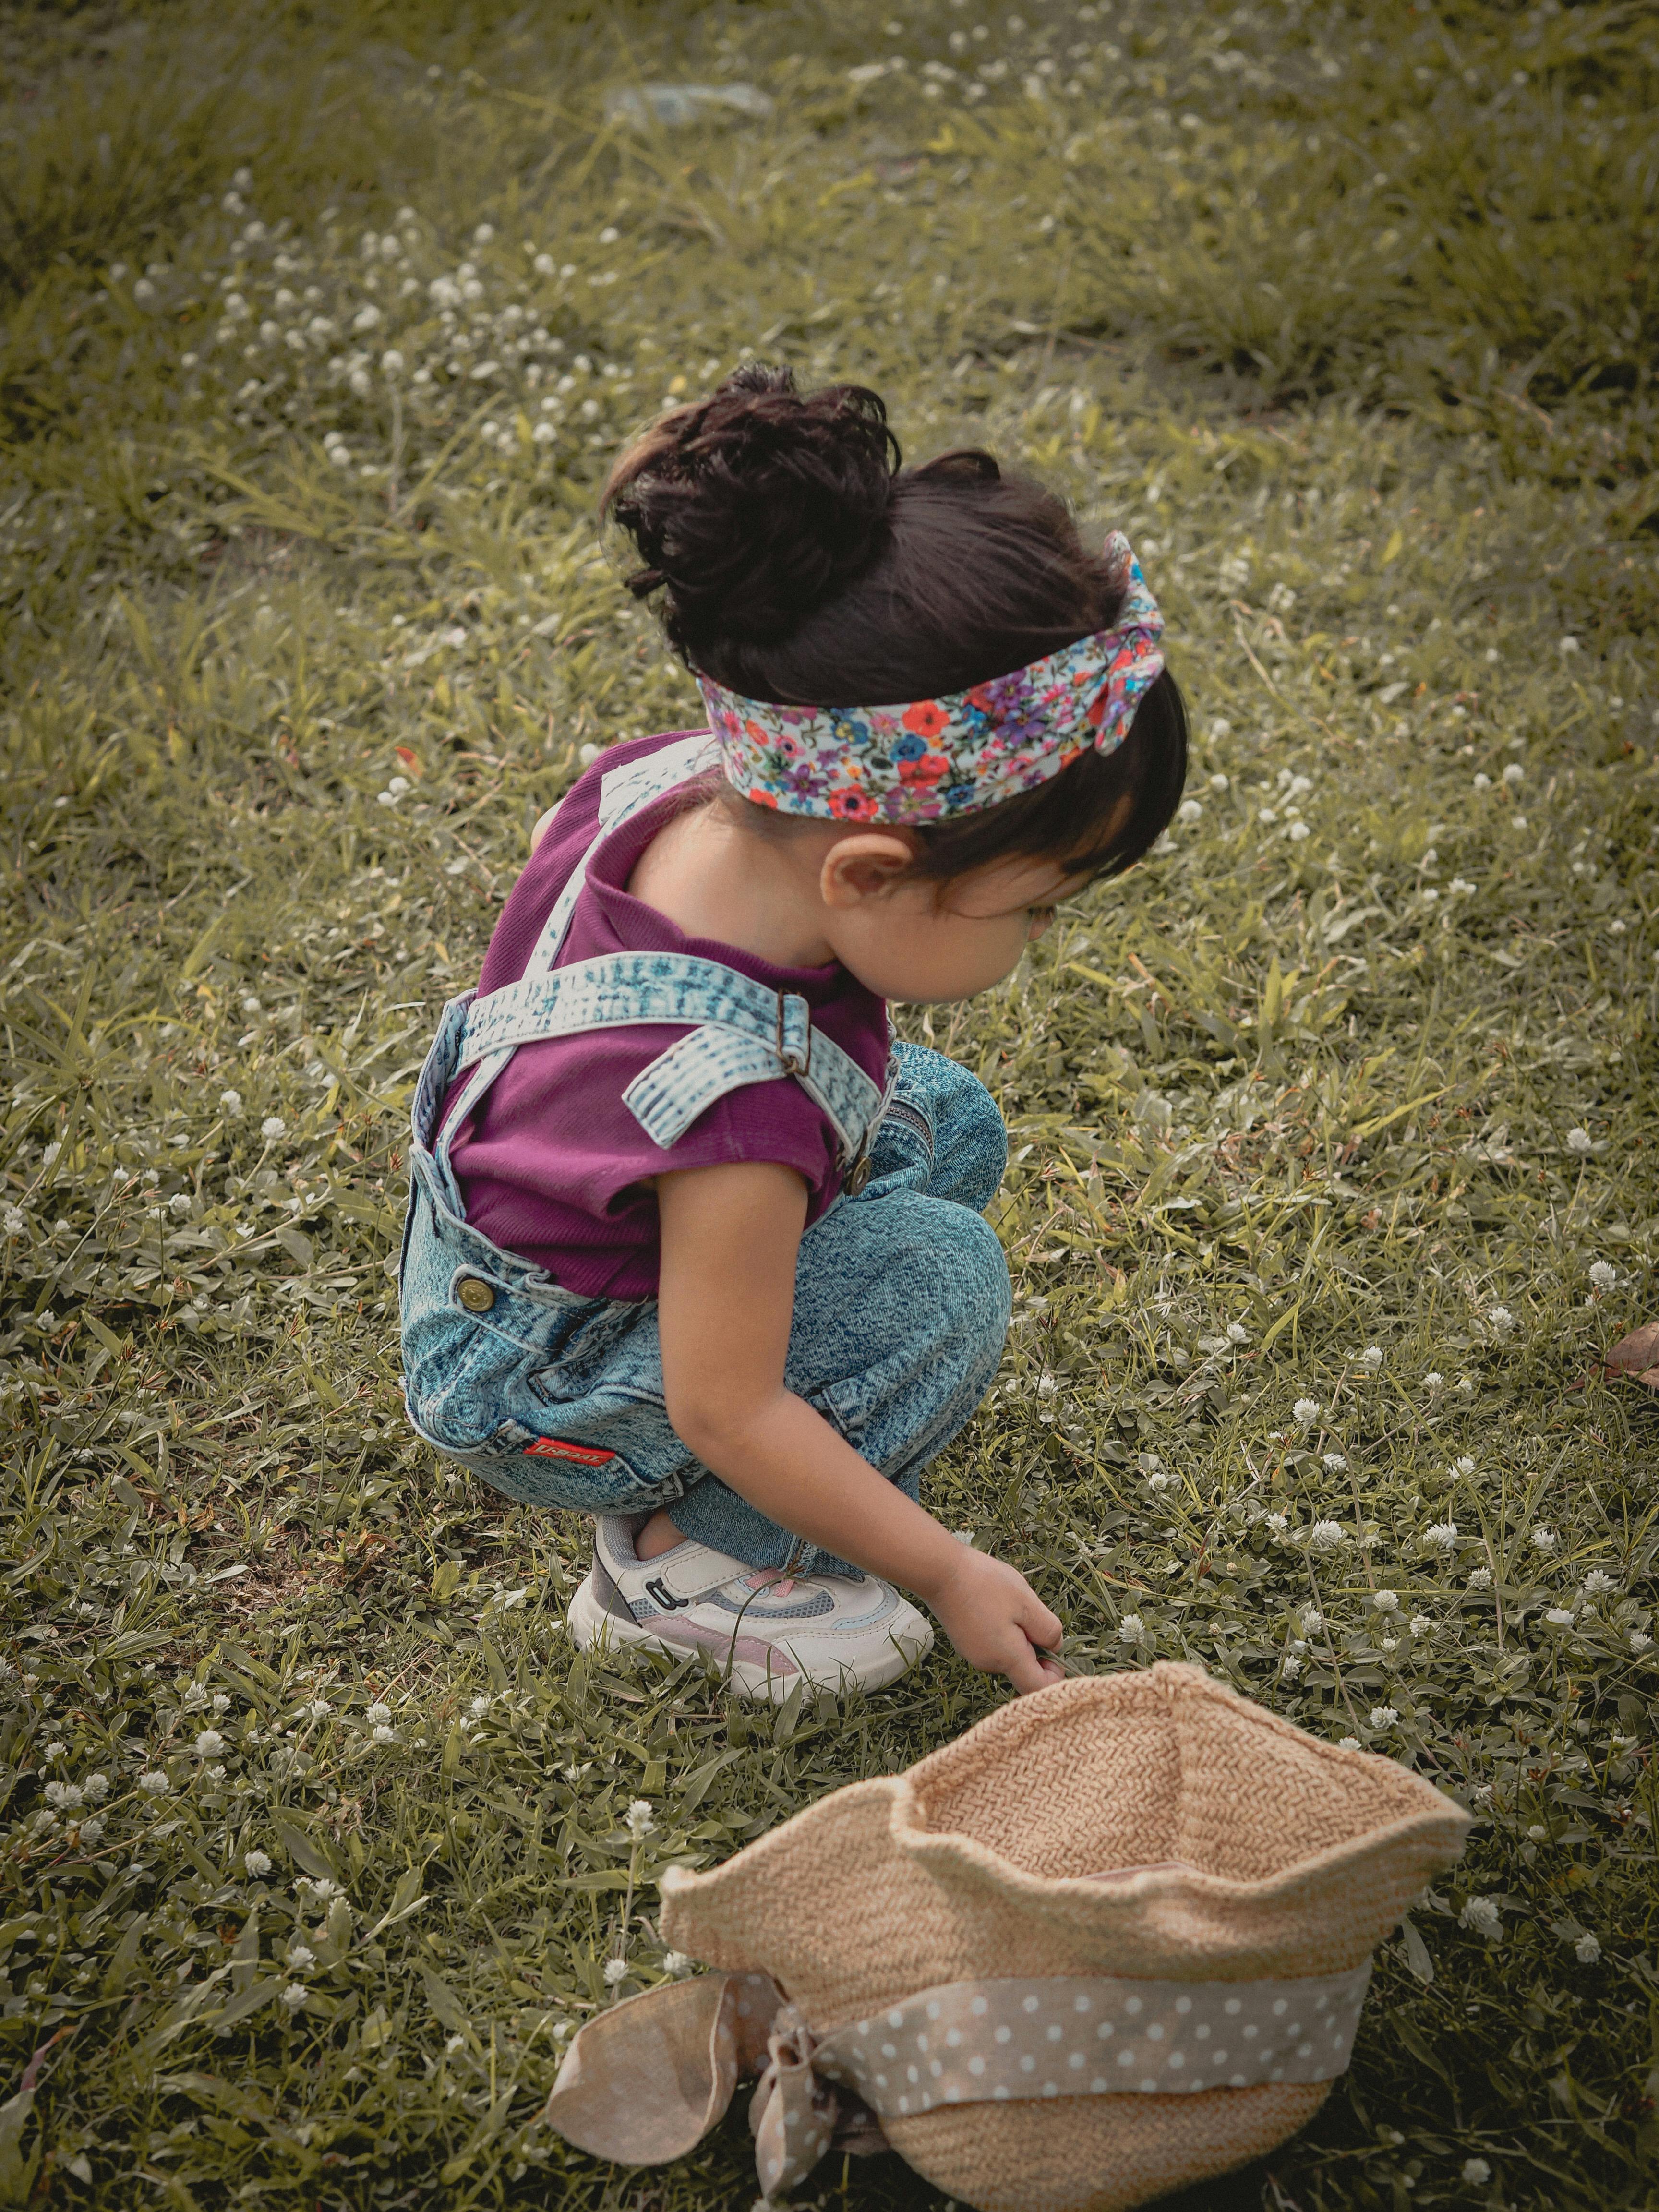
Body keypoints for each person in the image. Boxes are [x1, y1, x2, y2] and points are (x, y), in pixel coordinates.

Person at [398, 364, 1188, 1702]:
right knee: (941, 1277)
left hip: (507, 1256)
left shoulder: (675, 785)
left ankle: (726, 1397)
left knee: (943, 1117)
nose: (1040, 938)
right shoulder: (736, 1111)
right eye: (1034, 908)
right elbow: (726, 1407)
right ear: (868, 874)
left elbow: (556, 884)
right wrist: (947, 1571)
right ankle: (686, 1567)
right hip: (541, 1381)